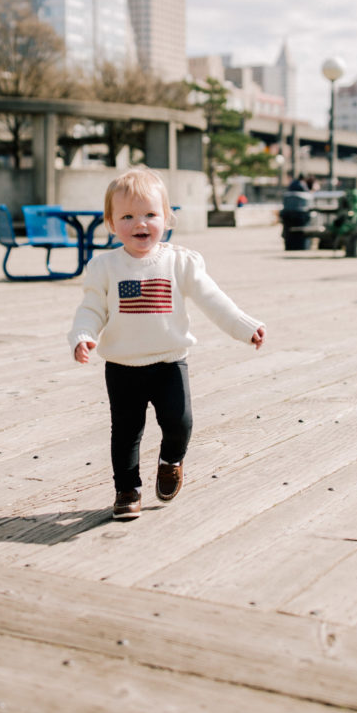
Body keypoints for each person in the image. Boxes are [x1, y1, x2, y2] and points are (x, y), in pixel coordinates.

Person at [69, 166, 266, 521]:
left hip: (169, 361)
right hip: (123, 366)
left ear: (167, 218)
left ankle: (170, 460)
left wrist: (243, 326)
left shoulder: (180, 262)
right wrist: (83, 336)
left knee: (180, 422)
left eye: (150, 214)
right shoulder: (105, 267)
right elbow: (90, 309)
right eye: (127, 216)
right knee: (126, 433)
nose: (139, 223)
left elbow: (213, 300)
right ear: (111, 223)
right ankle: (127, 489)